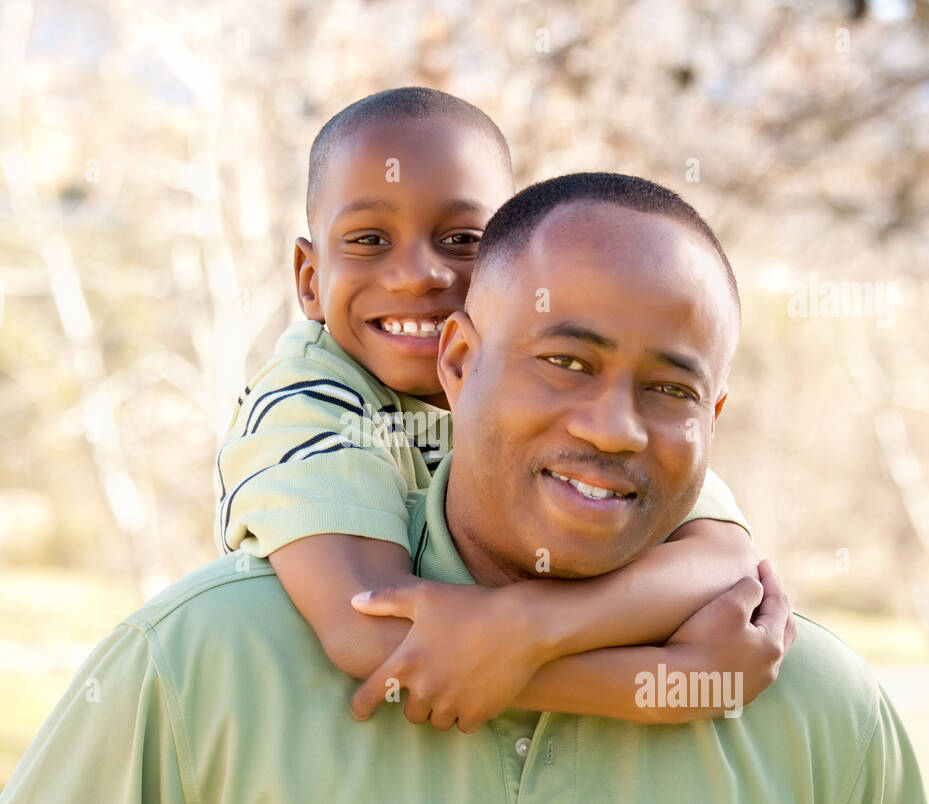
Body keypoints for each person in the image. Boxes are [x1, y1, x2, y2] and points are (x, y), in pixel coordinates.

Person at [0, 172, 929, 804]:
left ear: (712, 419)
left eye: (666, 388)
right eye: (565, 361)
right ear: (459, 360)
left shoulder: (820, 709)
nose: (613, 426)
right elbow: (368, 629)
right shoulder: (198, 666)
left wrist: (542, 639)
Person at [219, 87, 787, 732]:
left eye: (461, 239)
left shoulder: (559, 397)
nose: (418, 275)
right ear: (309, 279)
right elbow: (368, 629)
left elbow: (720, 556)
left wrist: (531, 626)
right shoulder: (304, 404)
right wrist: (658, 688)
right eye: (370, 239)